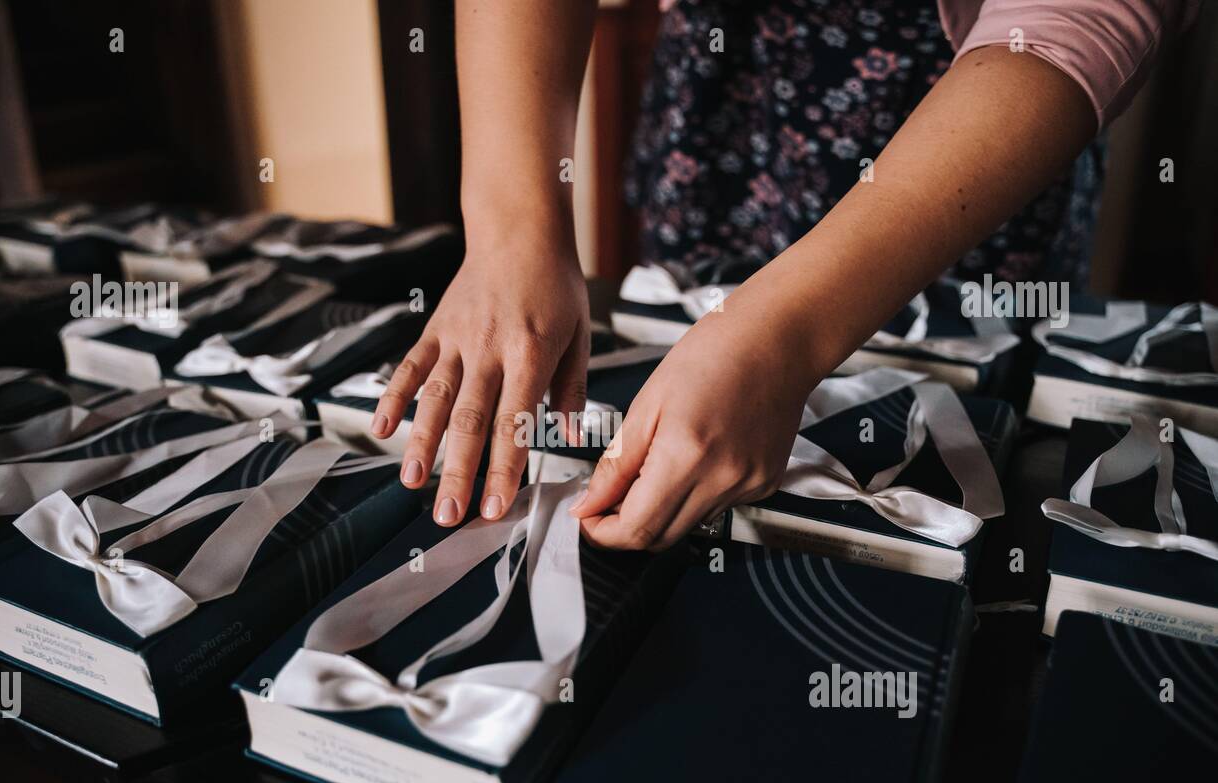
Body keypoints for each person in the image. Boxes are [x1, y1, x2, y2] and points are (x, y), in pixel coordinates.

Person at [370, 0, 1197, 550]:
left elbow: (1073, 17)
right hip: (719, 111)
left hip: (966, 146)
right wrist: (513, 231)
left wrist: (781, 336)